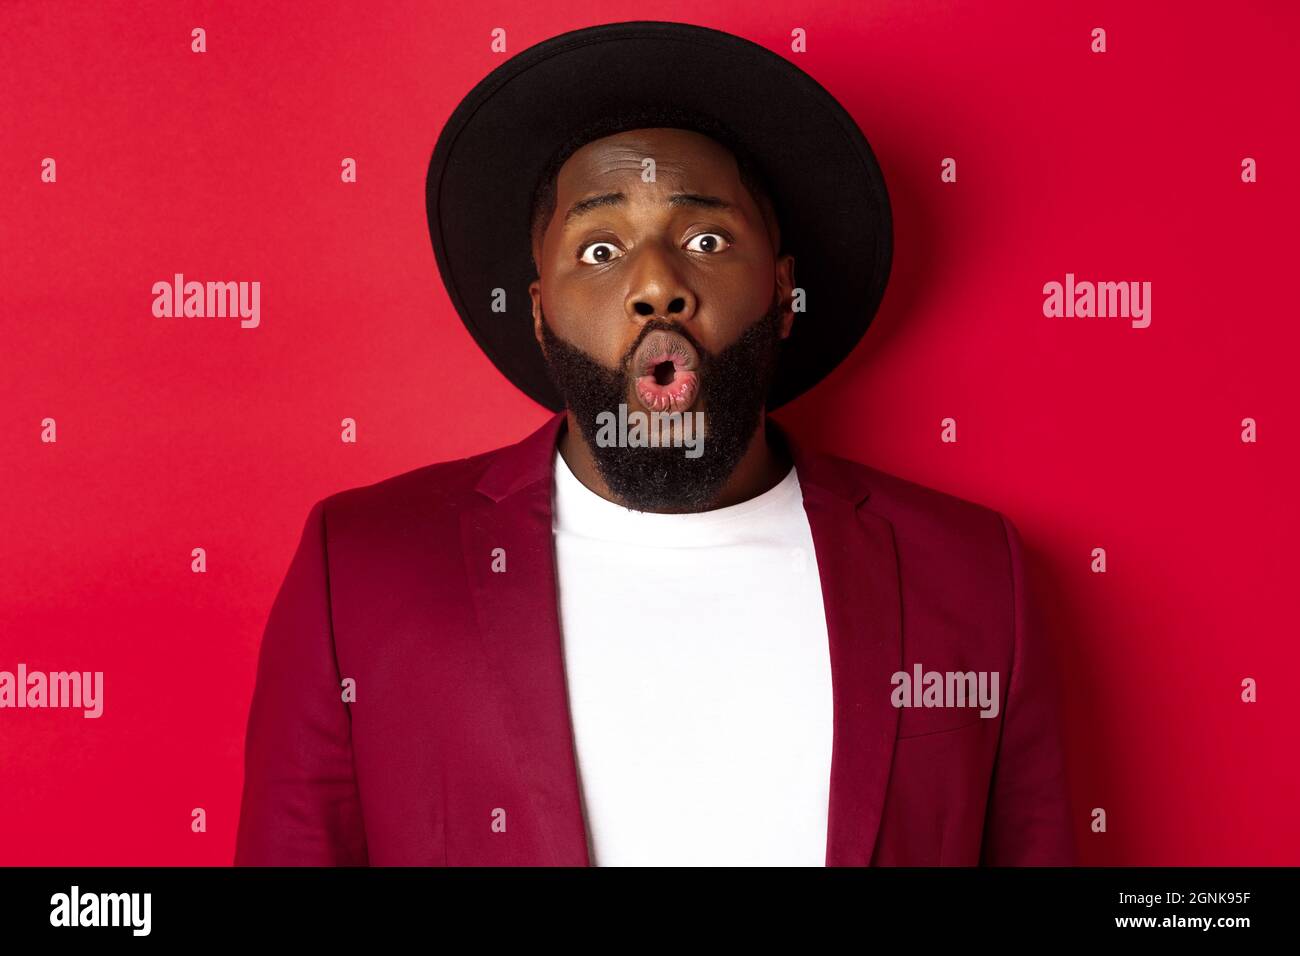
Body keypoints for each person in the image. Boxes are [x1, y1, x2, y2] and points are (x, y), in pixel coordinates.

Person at [234, 20, 1076, 866]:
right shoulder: (362, 569)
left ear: (784, 292)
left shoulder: (970, 577)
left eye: (706, 240)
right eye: (599, 249)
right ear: (538, 311)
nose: (656, 287)